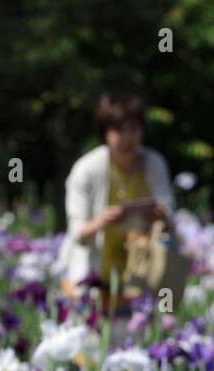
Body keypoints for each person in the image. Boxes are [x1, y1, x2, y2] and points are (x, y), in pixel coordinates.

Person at [57, 93, 175, 296]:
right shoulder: (86, 169)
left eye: (133, 129)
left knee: (149, 324)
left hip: (142, 272)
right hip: (94, 273)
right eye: (119, 130)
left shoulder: (155, 163)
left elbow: (170, 224)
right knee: (97, 325)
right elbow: (77, 232)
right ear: (105, 133)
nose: (127, 138)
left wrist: (161, 216)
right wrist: (102, 221)